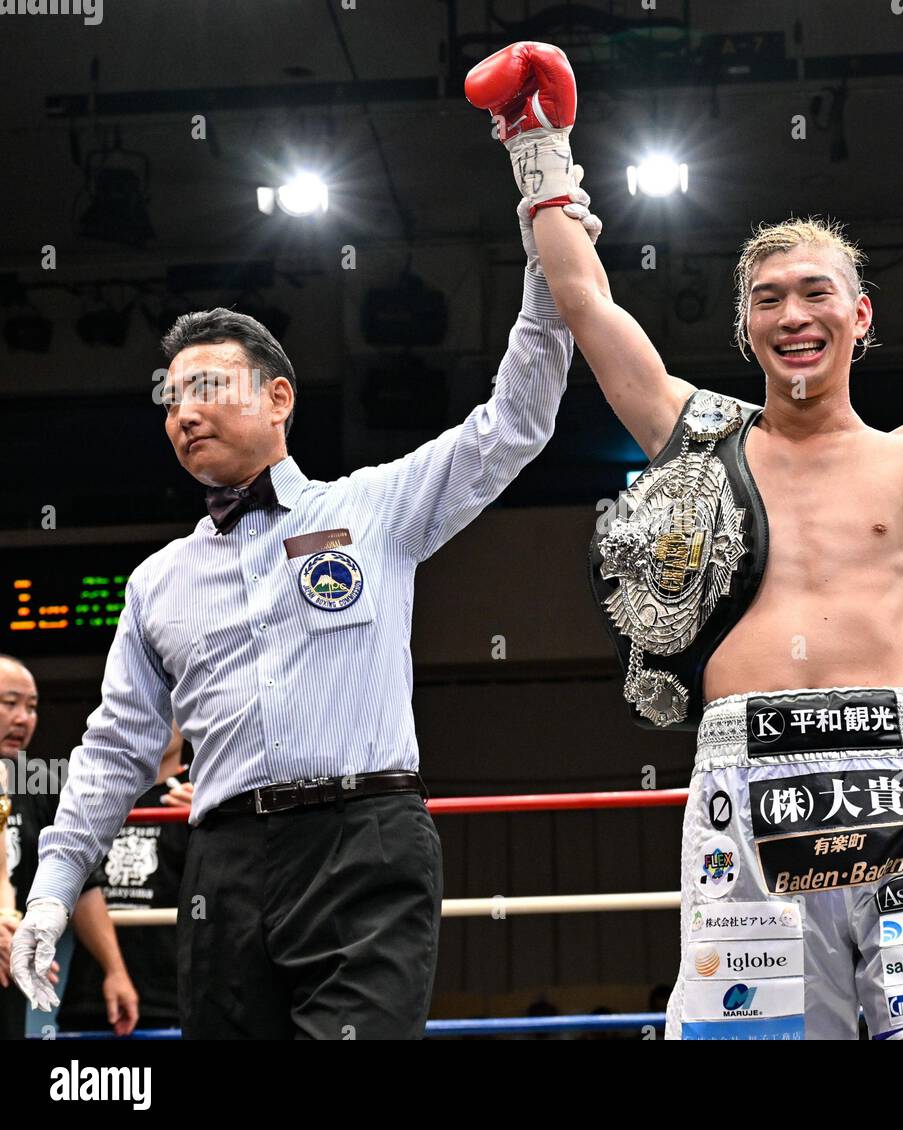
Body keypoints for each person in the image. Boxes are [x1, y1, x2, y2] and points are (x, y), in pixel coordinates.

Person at [467, 42, 903, 1039]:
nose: (793, 313)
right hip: (747, 773)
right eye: (768, 298)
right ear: (745, 327)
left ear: (859, 316)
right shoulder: (694, 435)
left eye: (815, 292)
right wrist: (537, 144)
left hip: (898, 758)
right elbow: (584, 301)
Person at [7, 228, 601, 1036]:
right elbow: (116, 750)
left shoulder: (373, 508)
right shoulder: (157, 581)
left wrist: (545, 264)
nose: (183, 413)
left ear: (279, 398)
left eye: (208, 387)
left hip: (365, 844)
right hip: (224, 865)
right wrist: (50, 888)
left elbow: (515, 424)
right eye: (170, 399)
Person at [0, 654, 139, 1039]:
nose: (23, 718)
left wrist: (115, 970)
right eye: (9, 703)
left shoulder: (34, 786)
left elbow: (81, 883)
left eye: (31, 707)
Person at [56, 721, 192, 1034]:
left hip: (173, 996)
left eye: (168, 705)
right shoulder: (90, 796)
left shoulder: (209, 792)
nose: (156, 715)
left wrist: (214, 818)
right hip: (90, 995)